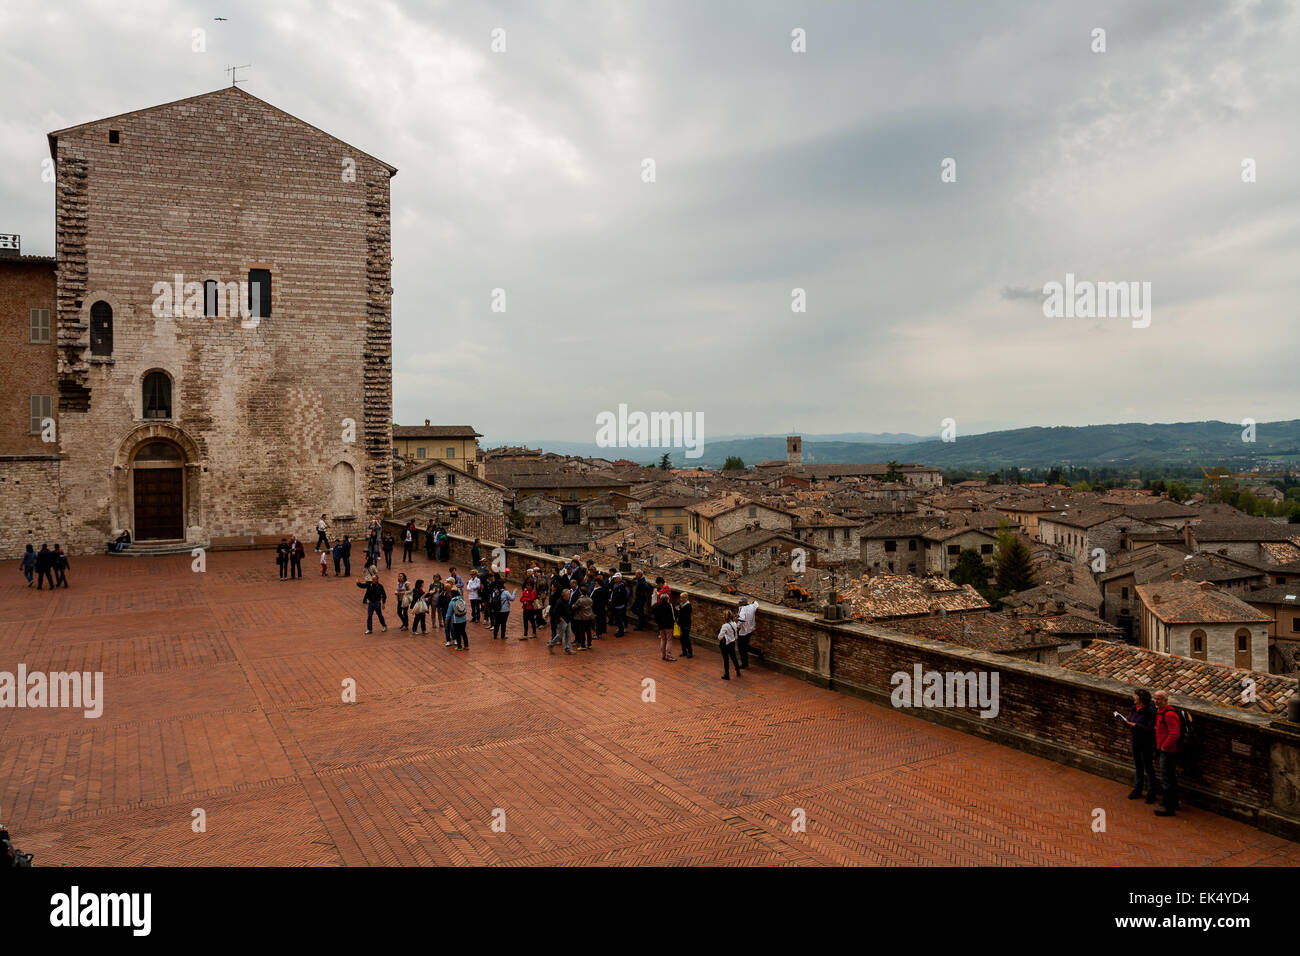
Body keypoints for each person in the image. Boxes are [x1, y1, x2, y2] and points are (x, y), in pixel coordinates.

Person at [1117, 688, 1161, 804]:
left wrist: (1136, 725)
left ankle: (1151, 792)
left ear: (1140, 698)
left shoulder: (1150, 712)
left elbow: (1150, 728)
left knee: (1148, 767)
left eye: (1135, 695)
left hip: (1146, 743)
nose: (1133, 697)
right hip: (1135, 741)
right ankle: (1138, 789)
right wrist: (1126, 722)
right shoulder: (1134, 709)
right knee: (1138, 766)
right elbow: (1131, 722)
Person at [1153, 691, 1181, 817]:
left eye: (1159, 699)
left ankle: (1167, 807)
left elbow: (1175, 733)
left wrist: (1164, 746)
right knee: (1170, 778)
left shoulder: (1169, 714)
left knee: (1166, 779)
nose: (1156, 701)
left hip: (1168, 751)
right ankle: (1173, 803)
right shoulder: (1161, 713)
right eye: (1155, 699)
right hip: (1165, 750)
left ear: (1165, 700)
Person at [548, 589, 576, 654]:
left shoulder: (566, 600)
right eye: (568, 595)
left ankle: (567, 648)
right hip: (562, 621)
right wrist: (560, 618)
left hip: (568, 619)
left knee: (568, 634)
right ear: (564, 595)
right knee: (560, 635)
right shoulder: (559, 602)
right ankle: (551, 644)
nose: (569, 596)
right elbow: (555, 612)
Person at [653, 584, 676, 661]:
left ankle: (662, 655)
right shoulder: (670, 606)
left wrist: (657, 622)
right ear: (667, 599)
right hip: (669, 625)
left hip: (661, 625)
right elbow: (674, 615)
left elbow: (654, 614)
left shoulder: (657, 606)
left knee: (663, 640)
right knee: (669, 640)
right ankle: (668, 656)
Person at [718, 610, 743, 680]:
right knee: (734, 657)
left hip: (725, 644)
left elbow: (720, 637)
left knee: (726, 659)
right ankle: (738, 671)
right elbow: (735, 635)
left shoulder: (725, 626)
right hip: (732, 643)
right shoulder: (734, 623)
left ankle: (727, 674)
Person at [736, 597, 759, 669]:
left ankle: (744, 663)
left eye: (740, 602)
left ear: (744, 602)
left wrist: (737, 626)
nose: (739, 604)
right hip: (750, 629)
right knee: (745, 646)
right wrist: (753, 602)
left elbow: (741, 619)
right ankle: (758, 652)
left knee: (741, 649)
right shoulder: (752, 606)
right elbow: (756, 603)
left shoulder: (742, 609)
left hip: (743, 631)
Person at [590, 573, 608, 641]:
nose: (595, 584)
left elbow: (596, 601)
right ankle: (598, 633)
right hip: (599, 608)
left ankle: (598, 634)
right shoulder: (599, 590)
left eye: (596, 583)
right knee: (599, 621)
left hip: (598, 609)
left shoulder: (599, 591)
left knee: (598, 622)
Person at [676, 592, 694, 658]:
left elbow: (685, 615)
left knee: (686, 638)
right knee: (681, 638)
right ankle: (684, 651)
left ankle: (690, 652)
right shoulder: (681, 604)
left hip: (686, 624)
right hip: (681, 624)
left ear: (686, 598)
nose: (681, 599)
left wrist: (679, 610)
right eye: (680, 597)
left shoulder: (688, 606)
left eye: (682, 598)